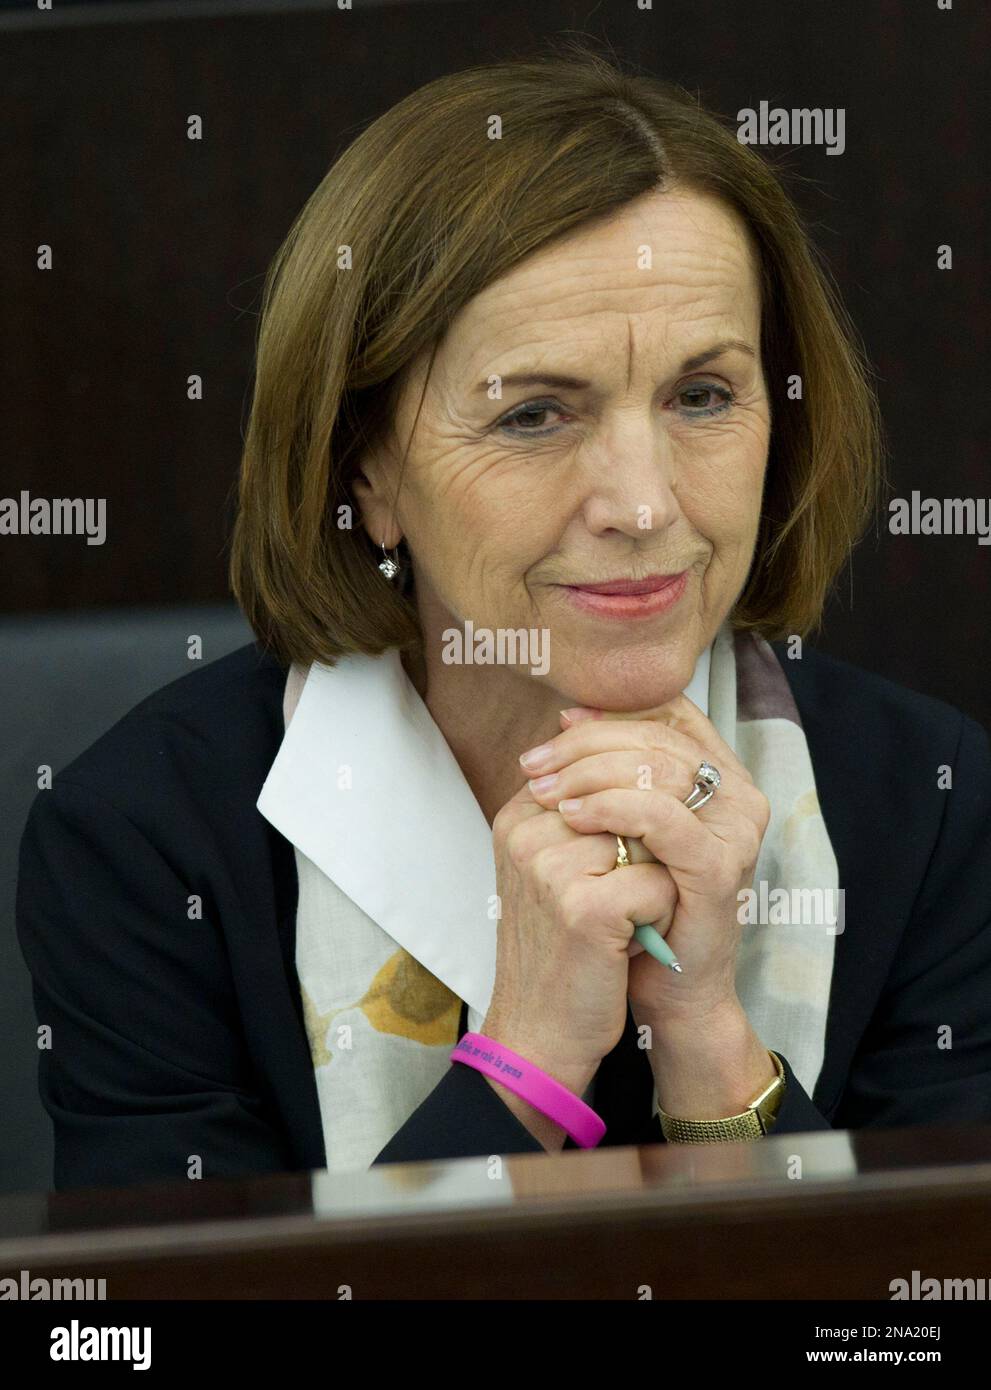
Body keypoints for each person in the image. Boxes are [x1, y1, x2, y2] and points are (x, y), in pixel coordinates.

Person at [17, 47, 991, 1191]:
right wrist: (527, 1059)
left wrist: (709, 1048)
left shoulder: (929, 801)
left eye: (702, 395)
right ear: (365, 468)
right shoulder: (141, 840)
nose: (642, 504)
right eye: (534, 414)